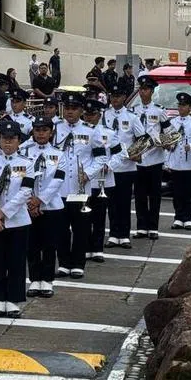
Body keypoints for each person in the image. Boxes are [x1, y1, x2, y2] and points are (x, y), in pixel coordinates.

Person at [0, 119, 34, 319]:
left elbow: (25, 192)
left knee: (16, 260)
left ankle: (13, 299)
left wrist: (4, 212)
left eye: (12, 139)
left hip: (17, 219)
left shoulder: (27, 164)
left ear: (18, 141)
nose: (8, 143)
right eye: (4, 139)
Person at [53, 91, 97, 278]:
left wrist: (88, 173)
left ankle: (78, 263)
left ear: (81, 110)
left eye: (74, 108)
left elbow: (101, 157)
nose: (70, 112)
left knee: (81, 228)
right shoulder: (54, 129)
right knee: (60, 228)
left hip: (81, 188)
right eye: (67, 108)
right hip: (59, 188)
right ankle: (63, 263)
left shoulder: (89, 131)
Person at [21, 117, 63, 298]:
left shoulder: (59, 153)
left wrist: (41, 200)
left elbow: (58, 180)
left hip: (51, 206)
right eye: (37, 130)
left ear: (51, 132)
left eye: (44, 130)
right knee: (31, 245)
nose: (41, 133)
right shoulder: (23, 151)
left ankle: (47, 280)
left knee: (49, 244)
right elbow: (21, 179)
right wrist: (31, 201)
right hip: (27, 205)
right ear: (33, 132)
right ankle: (34, 279)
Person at [130, 76, 168, 240]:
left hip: (155, 158)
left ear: (152, 92)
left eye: (146, 89)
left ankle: (153, 227)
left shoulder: (160, 111)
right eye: (141, 89)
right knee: (139, 194)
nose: (142, 92)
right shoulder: (133, 111)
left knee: (154, 195)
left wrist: (163, 143)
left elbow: (169, 133)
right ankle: (141, 227)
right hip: (139, 158)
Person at [105, 84, 139, 249]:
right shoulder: (104, 115)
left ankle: (124, 235)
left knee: (124, 201)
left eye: (118, 96)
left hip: (126, 166)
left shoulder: (132, 117)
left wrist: (136, 153)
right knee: (111, 203)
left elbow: (142, 138)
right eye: (112, 96)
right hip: (109, 166)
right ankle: (113, 234)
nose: (115, 99)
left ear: (124, 97)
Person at [82, 99, 115, 264]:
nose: (89, 117)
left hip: (102, 180)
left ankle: (97, 249)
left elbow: (119, 153)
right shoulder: (80, 132)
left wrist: (110, 165)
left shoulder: (108, 133)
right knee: (84, 216)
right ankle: (85, 247)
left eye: (92, 114)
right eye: (86, 114)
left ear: (99, 115)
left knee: (100, 216)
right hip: (85, 181)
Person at [165, 92, 191, 231]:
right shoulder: (172, 123)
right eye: (179, 105)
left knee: (189, 192)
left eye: (184, 105)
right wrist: (167, 158)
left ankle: (188, 218)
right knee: (177, 192)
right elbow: (167, 142)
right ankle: (178, 217)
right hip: (176, 162)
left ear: (190, 107)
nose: (181, 108)